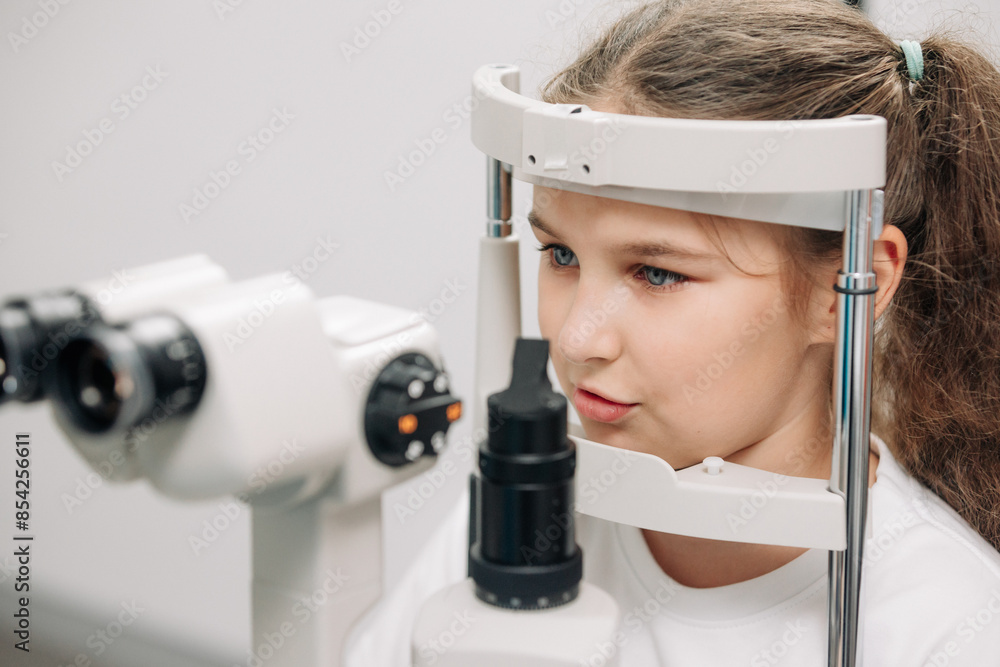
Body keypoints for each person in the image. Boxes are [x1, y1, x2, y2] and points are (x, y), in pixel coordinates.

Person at [346, 0, 1000, 664]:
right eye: (562, 256)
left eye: (657, 273)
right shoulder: (530, 508)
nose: (575, 340)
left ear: (849, 285)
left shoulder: (950, 627)